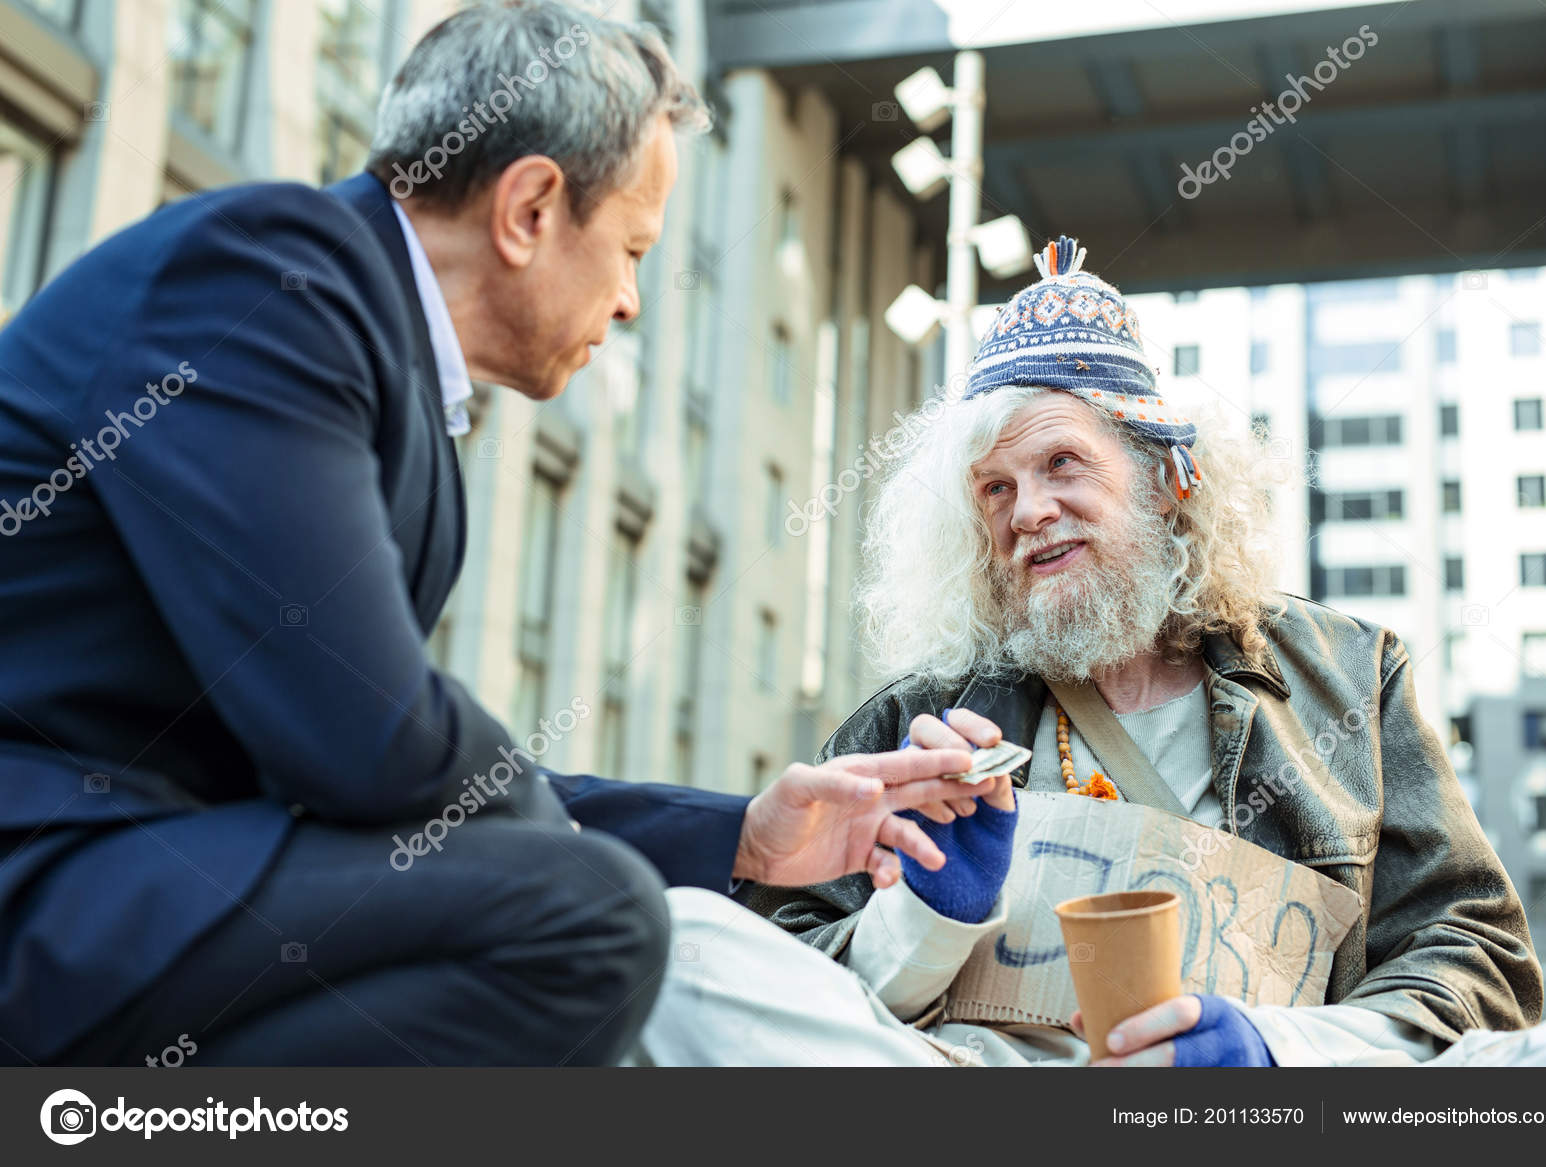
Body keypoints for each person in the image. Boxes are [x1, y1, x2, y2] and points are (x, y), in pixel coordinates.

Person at [0, 1, 996, 1067]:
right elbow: (373, 745)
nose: (630, 304)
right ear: (529, 209)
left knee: (587, 905)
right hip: (47, 869)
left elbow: (415, 769)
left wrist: (741, 838)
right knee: (587, 919)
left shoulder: (383, 372)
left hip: (157, 858)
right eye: (631, 249)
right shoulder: (264, 282)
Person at [634, 236, 1546, 1067]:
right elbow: (779, 1011)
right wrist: (922, 916)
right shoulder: (910, 727)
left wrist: (1277, 1053)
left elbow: (1481, 960)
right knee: (681, 953)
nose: (1026, 510)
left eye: (1062, 465)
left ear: (1163, 480)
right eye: (995, 488)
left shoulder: (1352, 674)